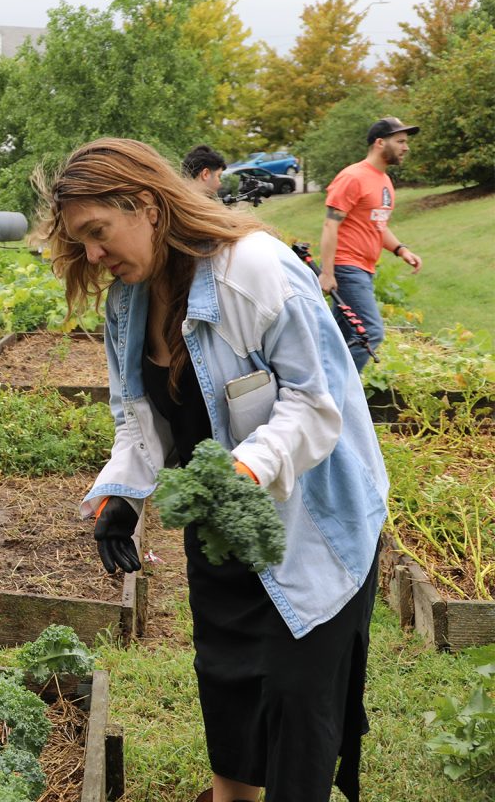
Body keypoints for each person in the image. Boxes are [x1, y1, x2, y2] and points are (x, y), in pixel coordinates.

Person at [38, 138, 387, 802]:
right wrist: (121, 494)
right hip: (220, 521)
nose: (92, 255)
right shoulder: (128, 303)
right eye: (80, 241)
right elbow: (138, 420)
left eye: (97, 232)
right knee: (228, 686)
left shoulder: (254, 271)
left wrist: (245, 472)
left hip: (311, 519)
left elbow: (317, 404)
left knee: (294, 702)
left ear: (144, 204)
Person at [318, 117, 424, 371]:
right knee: (370, 332)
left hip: (364, 269)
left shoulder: (383, 180)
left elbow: (377, 224)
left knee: (339, 338)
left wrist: (401, 249)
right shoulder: (353, 177)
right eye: (400, 141)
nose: (405, 147)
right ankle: (338, 395)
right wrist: (328, 272)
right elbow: (330, 224)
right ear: (379, 143)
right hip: (347, 267)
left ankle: (320, 391)